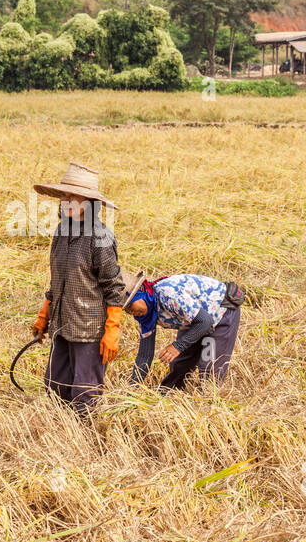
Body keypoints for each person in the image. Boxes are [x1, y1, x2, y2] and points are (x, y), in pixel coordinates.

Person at [30, 163, 124, 416]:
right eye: (64, 196)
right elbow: (56, 280)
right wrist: (44, 315)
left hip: (89, 329)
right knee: (54, 386)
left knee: (84, 393)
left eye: (74, 197)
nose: (66, 201)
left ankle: (87, 442)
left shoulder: (100, 237)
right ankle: (60, 436)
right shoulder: (61, 231)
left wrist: (111, 329)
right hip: (62, 324)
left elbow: (114, 287)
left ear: (89, 203)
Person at [126, 272, 244, 391]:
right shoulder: (146, 316)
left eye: (130, 305)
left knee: (209, 368)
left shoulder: (169, 295)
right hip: (194, 319)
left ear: (141, 293)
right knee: (180, 364)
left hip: (220, 313)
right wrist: (133, 387)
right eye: (125, 310)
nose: (130, 312)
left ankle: (207, 402)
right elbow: (144, 355)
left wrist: (178, 346)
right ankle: (167, 395)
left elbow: (205, 322)